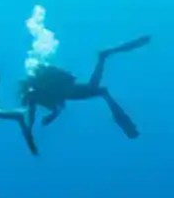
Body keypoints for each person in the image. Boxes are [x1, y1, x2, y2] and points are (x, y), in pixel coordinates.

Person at [19, 36, 151, 139]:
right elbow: (57, 106)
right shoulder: (36, 95)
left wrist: (30, 128)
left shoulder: (33, 95)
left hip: (64, 89)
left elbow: (44, 108)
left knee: (98, 90)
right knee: (99, 91)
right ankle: (123, 120)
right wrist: (51, 117)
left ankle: (103, 57)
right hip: (65, 89)